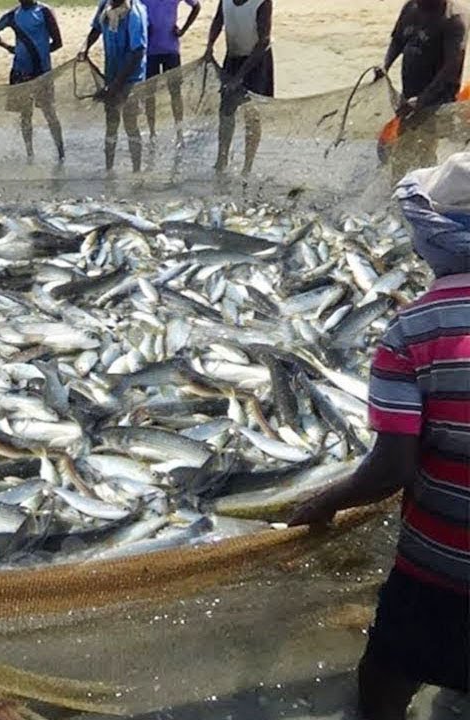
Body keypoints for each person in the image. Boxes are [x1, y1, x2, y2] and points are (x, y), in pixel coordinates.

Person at [290, 153, 470, 720]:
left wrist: (328, 500)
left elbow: (393, 469)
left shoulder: (413, 329)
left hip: (443, 565)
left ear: (431, 239)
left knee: (386, 679)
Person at [378, 0, 467, 177]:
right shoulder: (410, 8)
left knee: (425, 149)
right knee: (402, 149)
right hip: (409, 94)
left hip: (438, 100)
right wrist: (385, 65)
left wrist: (421, 100)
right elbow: (398, 41)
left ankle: (425, 184)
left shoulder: (454, 20)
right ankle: (399, 185)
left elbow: (452, 67)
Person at [0, 0, 65, 162]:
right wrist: (6, 46)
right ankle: (30, 154)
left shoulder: (44, 12)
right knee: (25, 115)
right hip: (20, 73)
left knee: (49, 112)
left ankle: (61, 153)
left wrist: (41, 53)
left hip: (42, 73)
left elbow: (58, 43)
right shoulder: (11, 15)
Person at [206, 0, 273, 175]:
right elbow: (218, 20)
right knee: (226, 109)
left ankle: (247, 165)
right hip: (233, 57)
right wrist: (209, 46)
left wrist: (239, 77)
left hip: (257, 61)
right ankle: (222, 159)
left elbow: (263, 41)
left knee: (252, 113)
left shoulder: (261, 3)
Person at [83, 0, 148, 173]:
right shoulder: (105, 6)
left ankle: (136, 171)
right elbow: (96, 28)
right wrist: (85, 48)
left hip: (131, 78)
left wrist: (116, 84)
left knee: (130, 124)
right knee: (111, 123)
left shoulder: (134, 13)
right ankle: (109, 169)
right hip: (111, 73)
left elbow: (138, 52)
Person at [142, 0, 201, 144]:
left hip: (171, 50)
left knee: (175, 91)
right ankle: (152, 132)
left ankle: (179, 132)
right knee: (149, 93)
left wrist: (183, 30)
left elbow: (196, 6)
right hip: (150, 51)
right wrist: (143, 27)